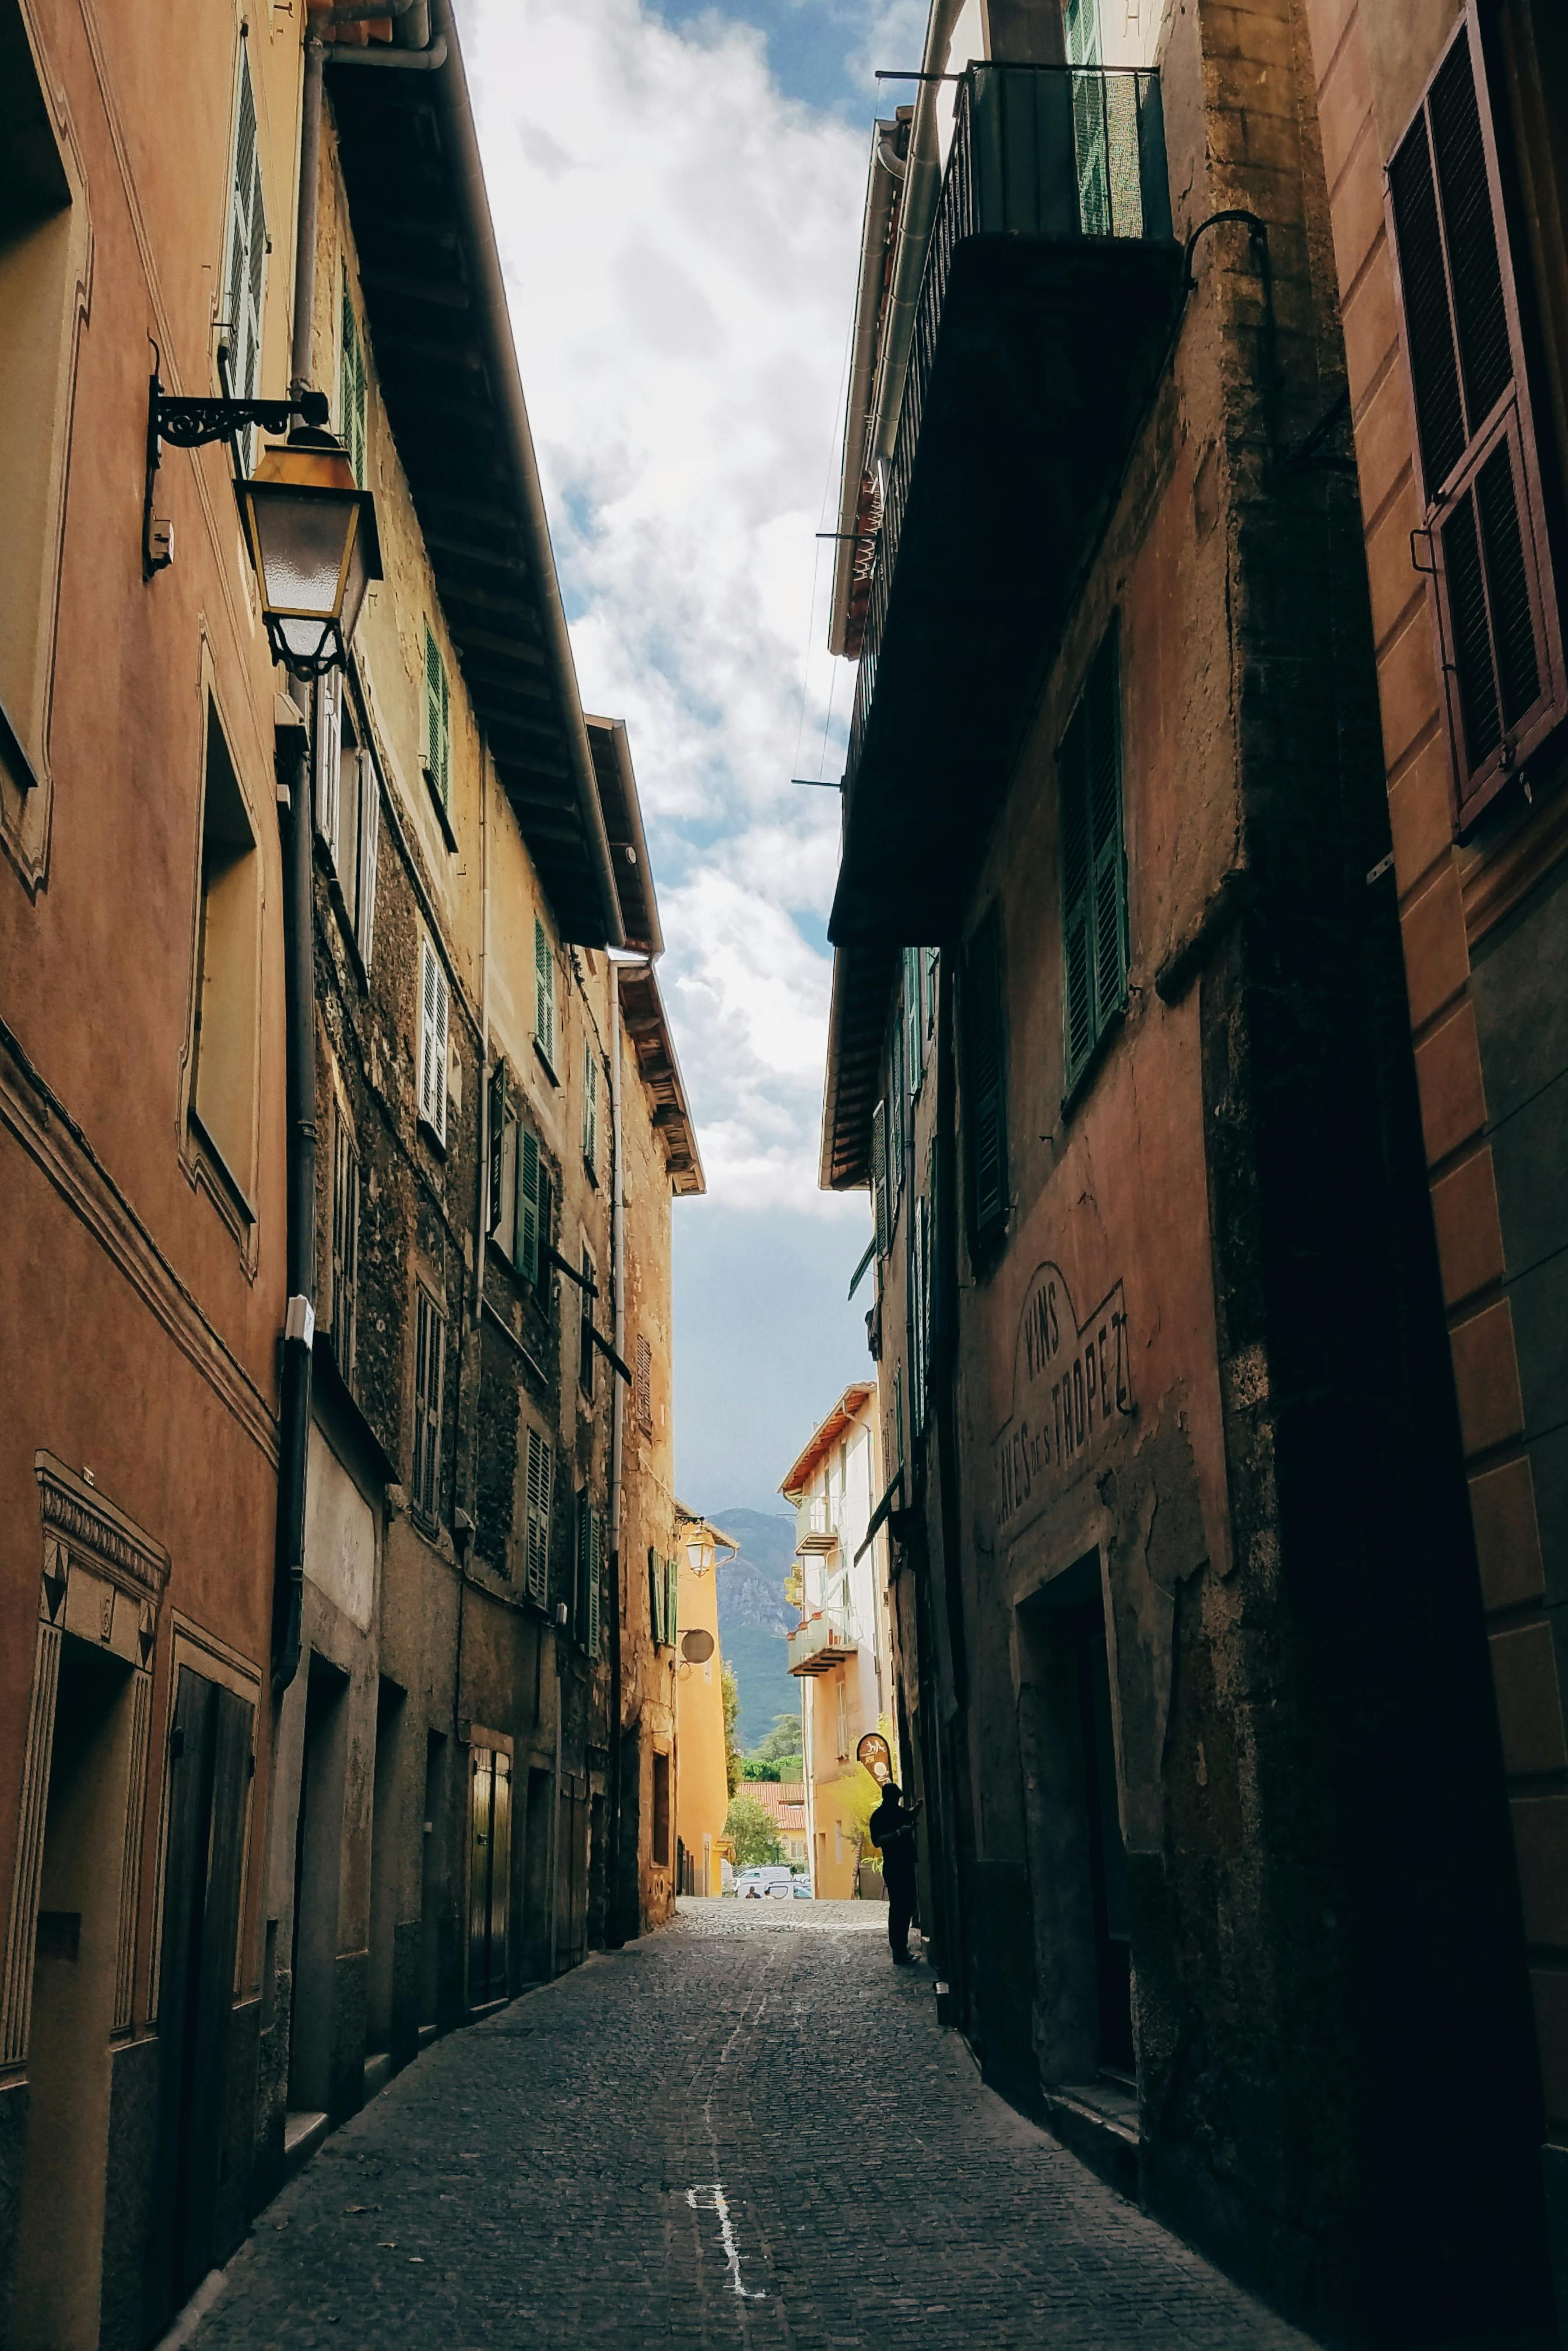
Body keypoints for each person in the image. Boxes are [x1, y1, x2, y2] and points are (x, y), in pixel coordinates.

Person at [868, 1780, 921, 1965]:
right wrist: (899, 1833)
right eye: (897, 1798)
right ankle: (898, 1950)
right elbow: (878, 1841)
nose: (899, 1801)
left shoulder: (898, 1812)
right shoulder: (878, 1817)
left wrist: (919, 1806)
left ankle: (902, 1948)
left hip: (906, 1864)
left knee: (907, 1907)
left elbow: (909, 1816)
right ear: (889, 1798)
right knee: (899, 1908)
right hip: (894, 1866)